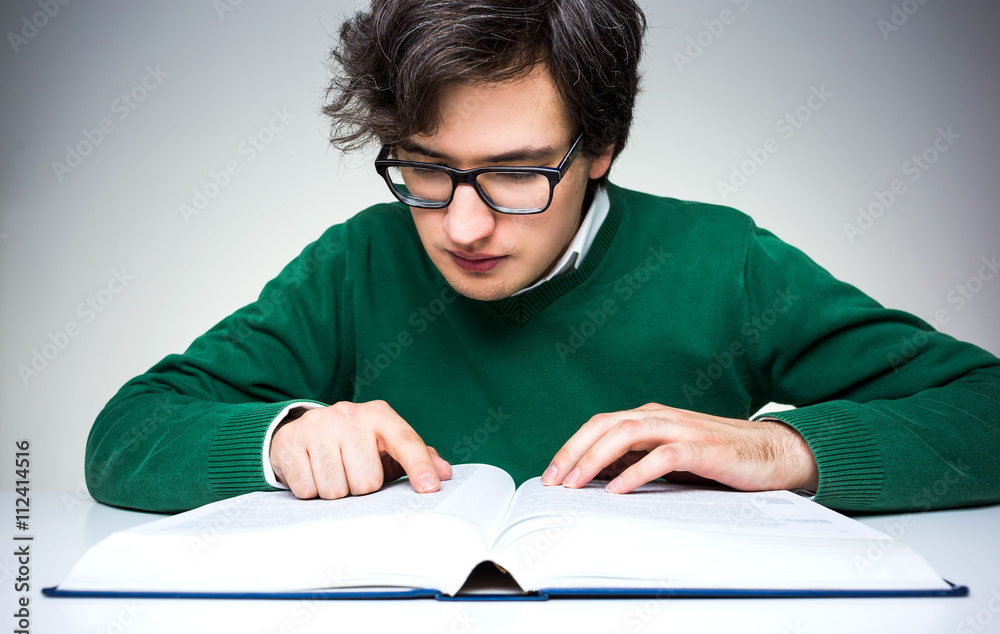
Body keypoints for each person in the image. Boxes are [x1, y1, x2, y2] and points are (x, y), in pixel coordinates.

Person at [86, 0, 1000, 514]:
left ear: (601, 148)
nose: (463, 226)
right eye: (425, 168)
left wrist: (781, 447)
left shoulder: (725, 262)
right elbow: (126, 433)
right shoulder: (357, 263)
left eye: (517, 173)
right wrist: (282, 437)